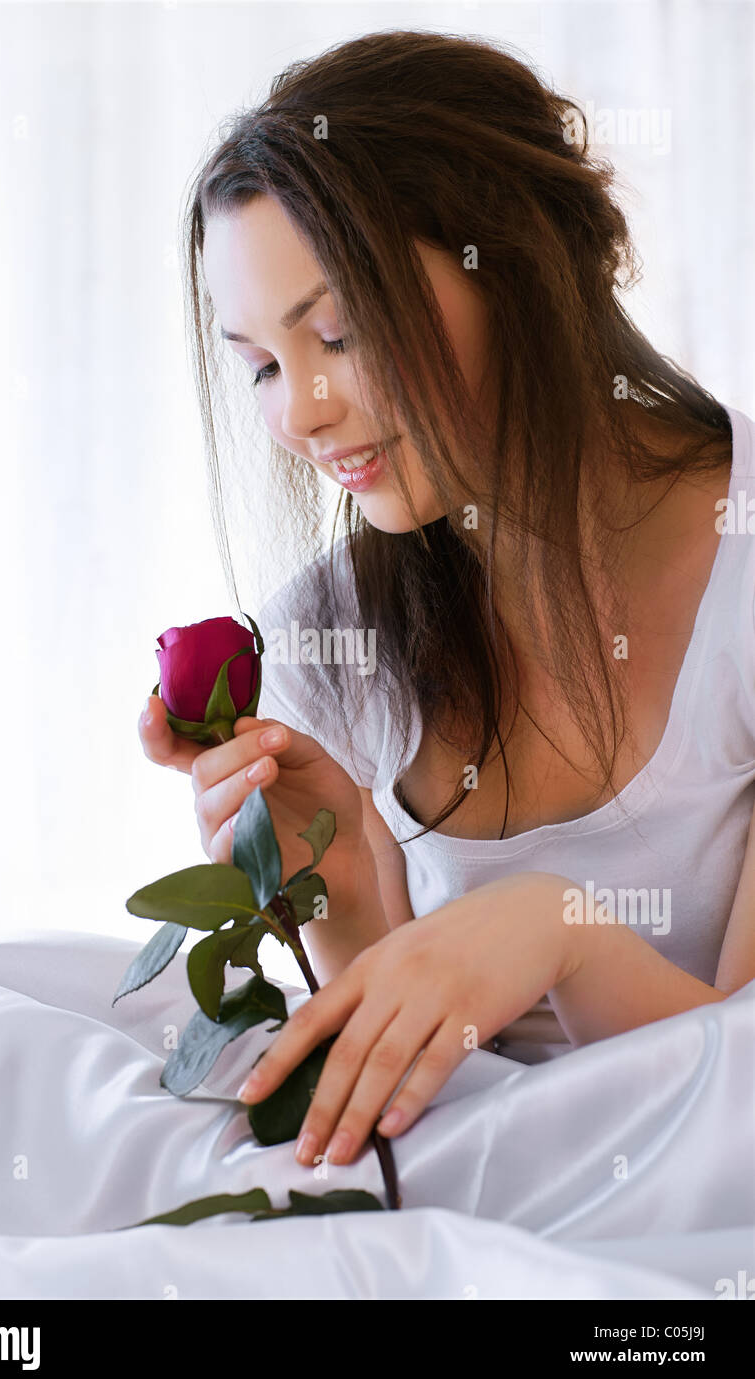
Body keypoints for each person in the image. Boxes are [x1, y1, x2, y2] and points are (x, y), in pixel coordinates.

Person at [139, 31, 755, 1178]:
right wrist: (327, 878)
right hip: (472, 1194)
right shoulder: (339, 634)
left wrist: (558, 933)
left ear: (514, 264)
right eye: (261, 364)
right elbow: (408, 1095)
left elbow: (737, 1119)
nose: (300, 415)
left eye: (337, 333)